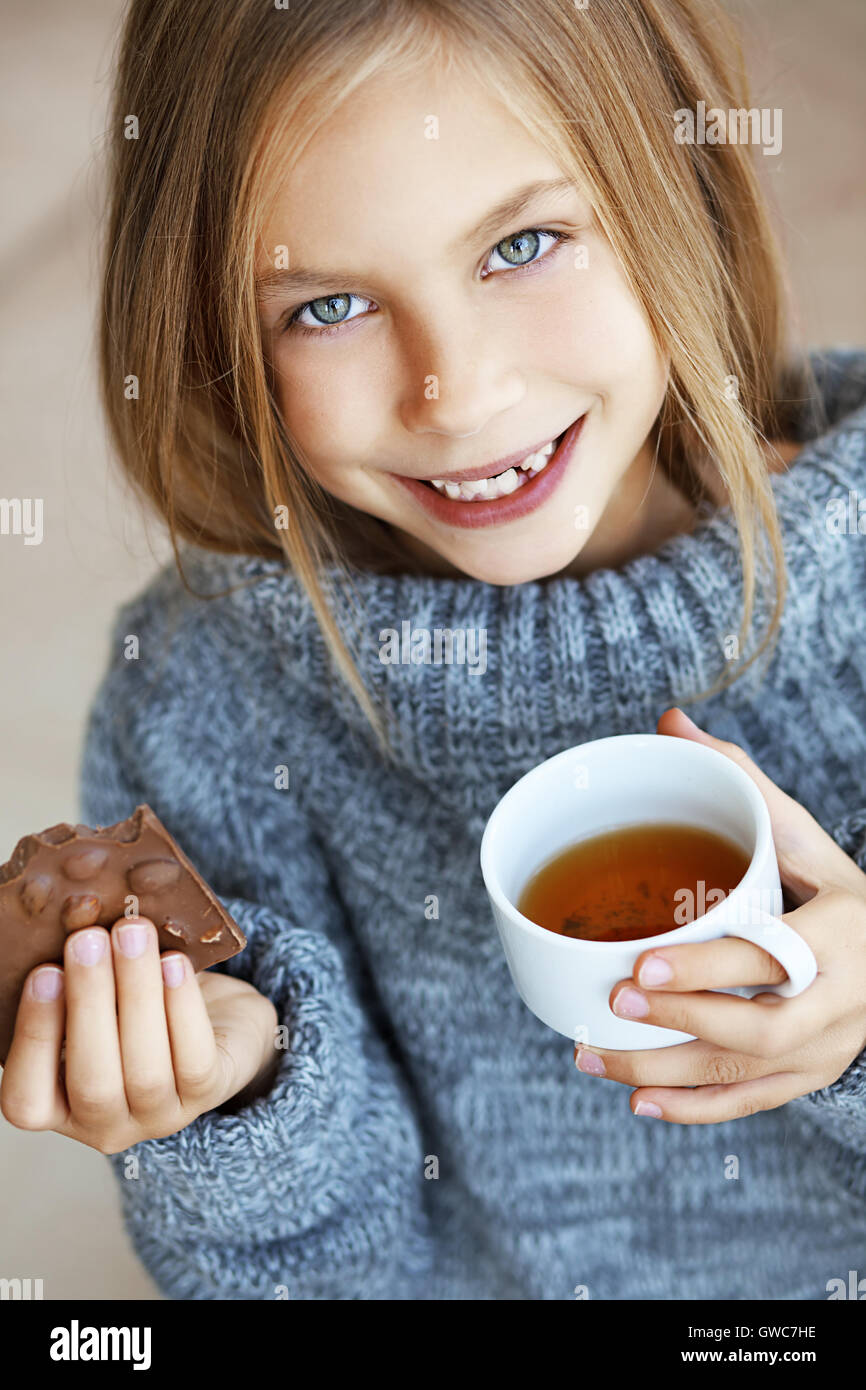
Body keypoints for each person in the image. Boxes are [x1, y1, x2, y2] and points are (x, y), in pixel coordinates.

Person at [3, 0, 866, 1300]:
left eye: (523, 243)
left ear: (670, 191)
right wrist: (243, 1102)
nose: (454, 393)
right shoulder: (206, 700)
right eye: (330, 303)